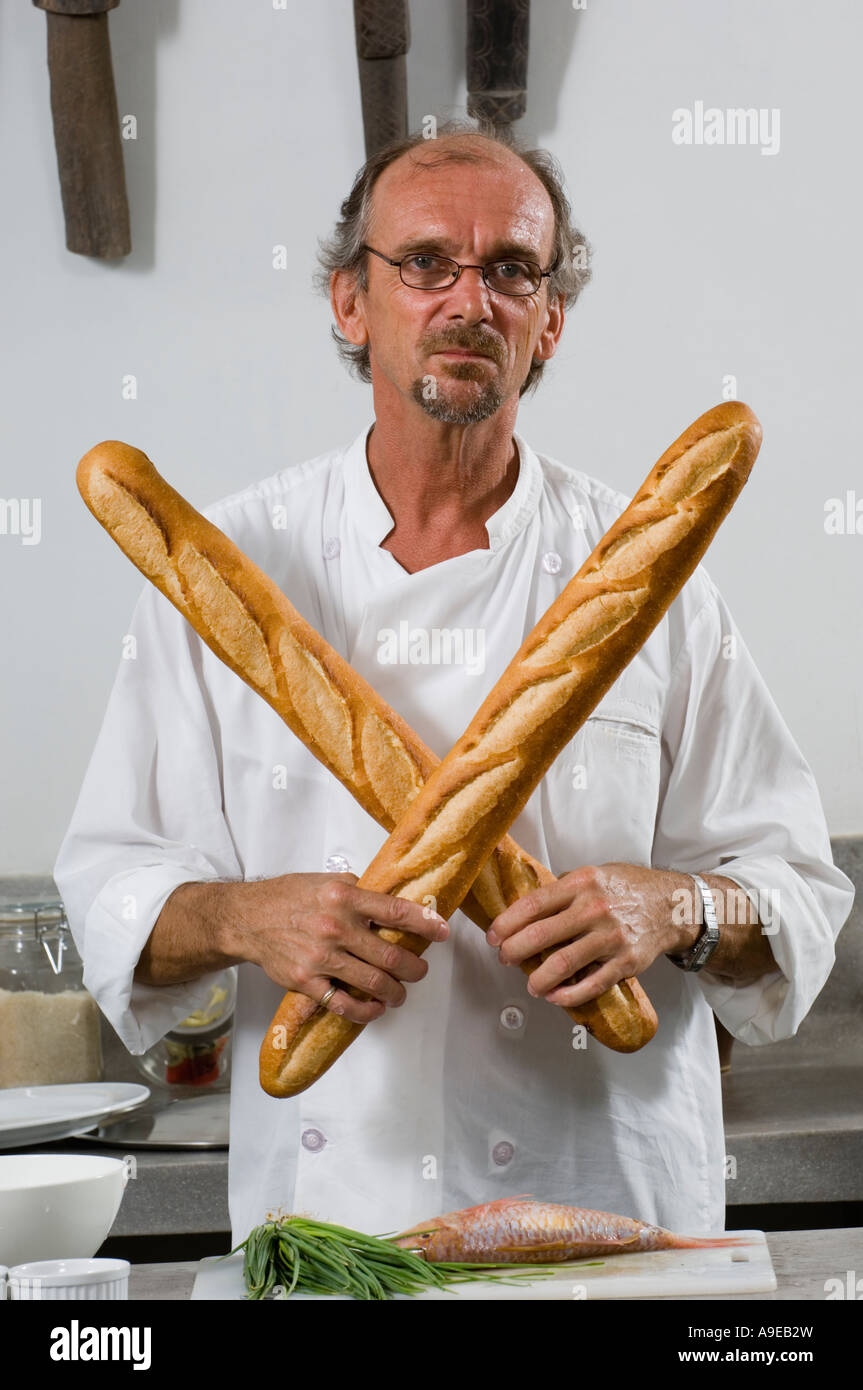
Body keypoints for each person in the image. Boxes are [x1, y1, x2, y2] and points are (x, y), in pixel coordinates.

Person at [54, 120, 854, 1248]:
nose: (468, 300)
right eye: (424, 262)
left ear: (549, 324)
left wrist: (675, 909)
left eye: (512, 270)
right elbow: (111, 886)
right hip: (337, 1232)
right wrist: (244, 916)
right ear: (349, 304)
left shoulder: (653, 576)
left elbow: (798, 892)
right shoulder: (222, 571)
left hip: (613, 1225)